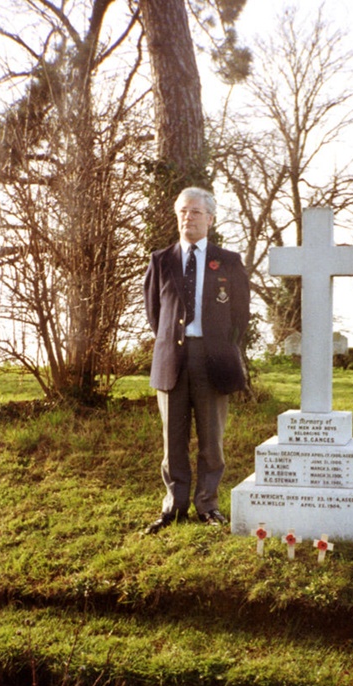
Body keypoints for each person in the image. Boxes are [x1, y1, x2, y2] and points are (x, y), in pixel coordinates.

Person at [143, 186, 250, 531]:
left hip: (212, 359)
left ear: (211, 218)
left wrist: (218, 345)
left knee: (211, 440)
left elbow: (241, 315)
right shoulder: (161, 260)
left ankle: (207, 505)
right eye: (183, 212)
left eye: (195, 212)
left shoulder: (228, 262)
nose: (188, 218)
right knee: (173, 441)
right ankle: (174, 506)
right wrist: (175, 341)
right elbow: (154, 313)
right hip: (172, 358)